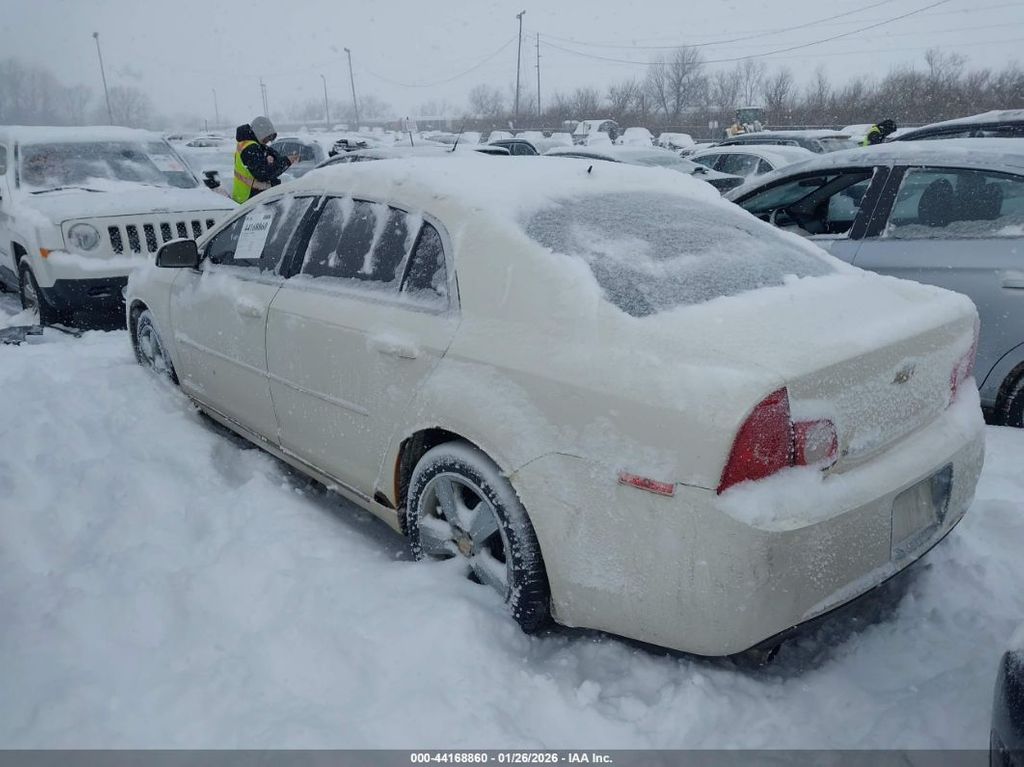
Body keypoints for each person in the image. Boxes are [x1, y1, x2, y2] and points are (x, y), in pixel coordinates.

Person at [232, 116, 299, 204]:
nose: (268, 141)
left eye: (270, 138)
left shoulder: (254, 144)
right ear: (260, 133)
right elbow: (263, 173)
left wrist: (284, 158)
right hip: (248, 200)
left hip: (249, 197)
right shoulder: (250, 147)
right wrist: (287, 161)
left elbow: (273, 154)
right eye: (267, 138)